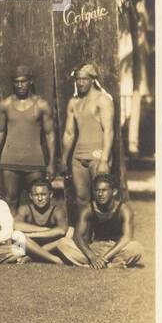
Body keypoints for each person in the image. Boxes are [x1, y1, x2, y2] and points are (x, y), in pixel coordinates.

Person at [0, 65, 57, 210]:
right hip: (9, 160)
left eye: (23, 81)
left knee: (36, 201)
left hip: (34, 161)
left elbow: (50, 134)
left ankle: (31, 231)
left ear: (30, 81)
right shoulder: (5, 105)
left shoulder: (41, 105)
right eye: (16, 82)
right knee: (9, 200)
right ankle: (10, 232)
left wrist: (51, 162)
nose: (20, 85)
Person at [54, 173, 144, 268]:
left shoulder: (124, 209)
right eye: (97, 190)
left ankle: (94, 265)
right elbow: (78, 236)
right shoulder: (87, 209)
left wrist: (104, 258)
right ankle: (111, 265)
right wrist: (92, 256)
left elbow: (127, 237)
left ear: (114, 192)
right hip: (95, 247)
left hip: (116, 248)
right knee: (62, 243)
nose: (100, 194)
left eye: (104, 190)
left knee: (136, 248)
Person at [61, 62, 116, 213]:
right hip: (78, 157)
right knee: (81, 199)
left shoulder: (103, 100)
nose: (80, 83)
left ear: (93, 79)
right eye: (78, 79)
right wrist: (64, 160)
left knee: (101, 198)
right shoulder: (74, 102)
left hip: (97, 156)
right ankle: (85, 233)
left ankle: (103, 233)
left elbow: (109, 131)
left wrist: (104, 160)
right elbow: (69, 133)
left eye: (84, 79)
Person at [10, 176, 69, 264]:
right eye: (36, 195)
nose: (40, 198)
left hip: (49, 245)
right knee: (16, 235)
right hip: (29, 245)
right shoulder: (25, 209)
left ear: (51, 194)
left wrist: (30, 235)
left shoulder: (57, 210)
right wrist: (46, 230)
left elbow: (62, 230)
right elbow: (16, 225)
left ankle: (32, 256)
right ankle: (54, 259)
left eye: (43, 194)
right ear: (30, 196)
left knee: (70, 232)